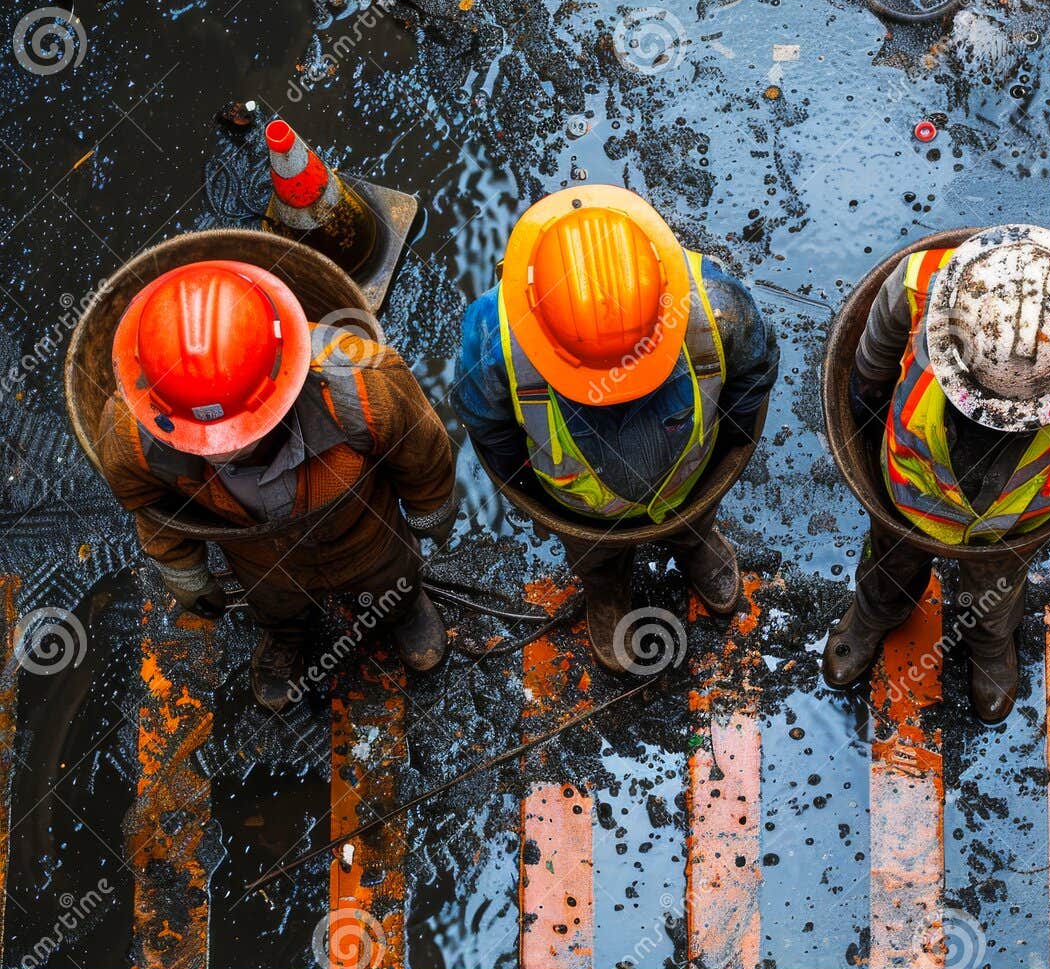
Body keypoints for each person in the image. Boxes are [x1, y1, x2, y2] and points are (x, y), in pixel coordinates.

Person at [822, 225, 1050, 723]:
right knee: (889, 563)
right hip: (909, 495)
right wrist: (866, 400)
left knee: (994, 590)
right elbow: (871, 363)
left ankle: (988, 643)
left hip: (1013, 523)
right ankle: (875, 614)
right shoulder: (922, 284)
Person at [95, 260, 457, 710]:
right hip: (261, 560)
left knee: (392, 579)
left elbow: (422, 451)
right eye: (203, 437)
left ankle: (404, 611)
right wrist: (183, 572)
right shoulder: (134, 435)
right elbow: (151, 508)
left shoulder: (357, 386)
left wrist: (432, 511)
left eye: (236, 433)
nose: (219, 448)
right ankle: (286, 636)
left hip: (365, 534)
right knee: (275, 604)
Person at [453, 184, 777, 670]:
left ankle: (695, 543)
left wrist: (720, 467)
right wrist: (537, 499)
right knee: (595, 556)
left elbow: (753, 378)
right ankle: (605, 583)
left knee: (692, 522)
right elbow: (489, 429)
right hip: (580, 511)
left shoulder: (716, 306)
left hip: (689, 487)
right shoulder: (494, 337)